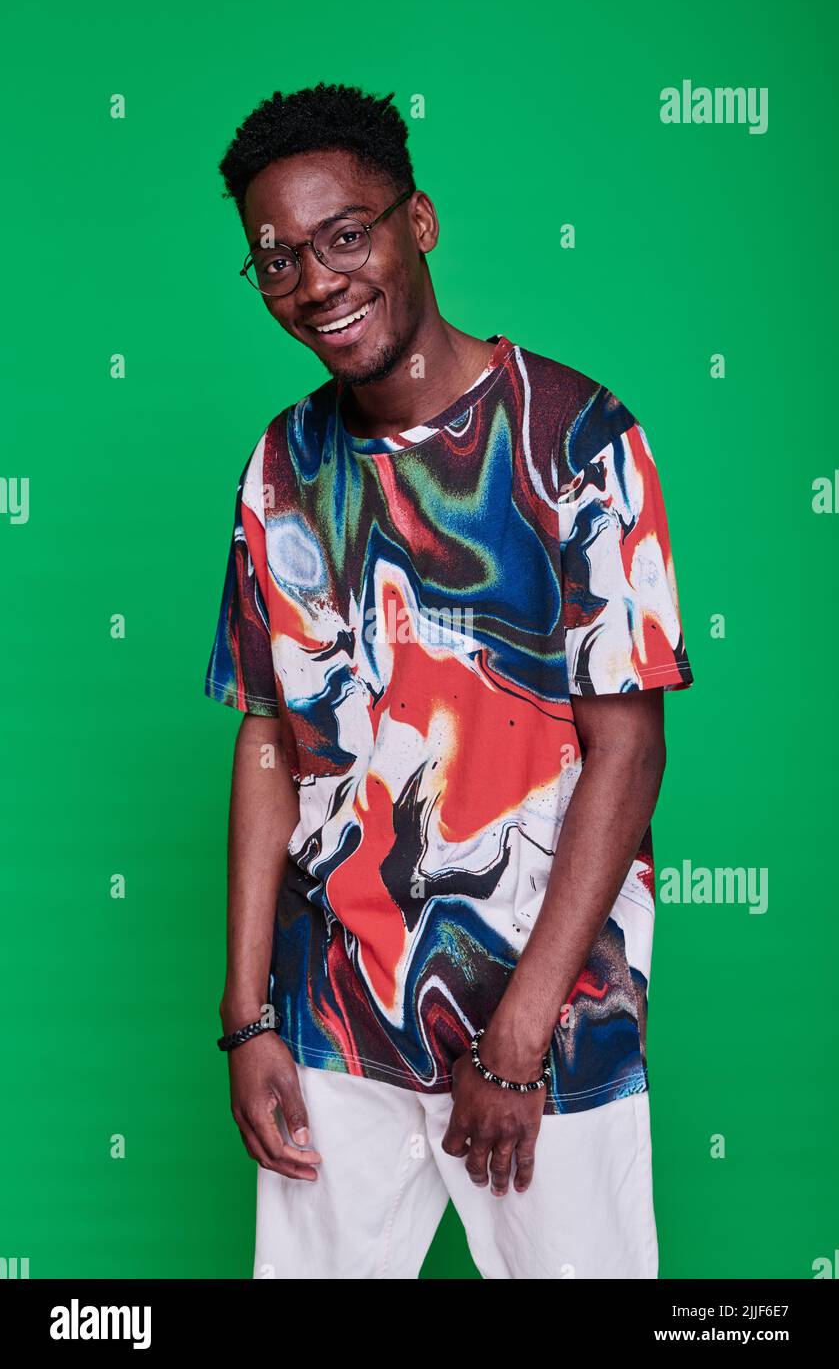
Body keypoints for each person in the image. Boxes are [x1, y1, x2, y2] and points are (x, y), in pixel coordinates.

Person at [204, 82, 694, 1280]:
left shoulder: (575, 437)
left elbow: (627, 750)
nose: (315, 281)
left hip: (551, 1021)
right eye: (276, 260)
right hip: (329, 1017)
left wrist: (522, 1037)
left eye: (343, 235)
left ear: (417, 222)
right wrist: (246, 1020)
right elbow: (270, 735)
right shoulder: (283, 461)